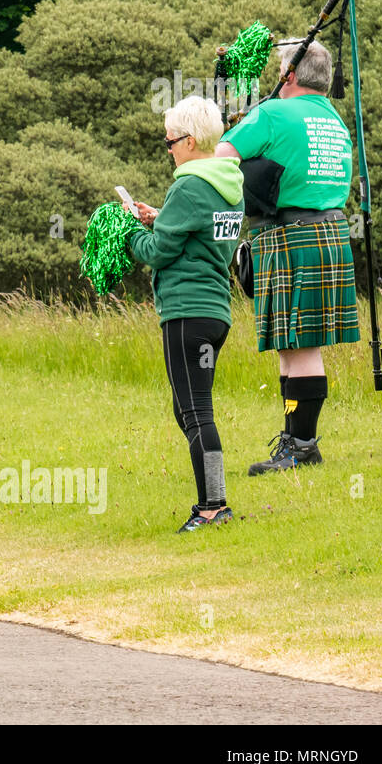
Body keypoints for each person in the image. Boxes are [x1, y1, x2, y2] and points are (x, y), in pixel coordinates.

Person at [215, 39, 357, 475]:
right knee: (292, 344)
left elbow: (221, 158)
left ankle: (301, 447)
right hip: (329, 230)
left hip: (289, 234)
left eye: (280, 68)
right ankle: (296, 441)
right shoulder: (336, 122)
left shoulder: (273, 113)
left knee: (300, 346)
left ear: (289, 75)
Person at [129, 97, 245, 532]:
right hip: (215, 313)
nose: (169, 149)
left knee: (196, 412)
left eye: (171, 142)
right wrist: (160, 217)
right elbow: (202, 235)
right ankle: (213, 499)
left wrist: (127, 236)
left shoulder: (188, 186)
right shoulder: (228, 184)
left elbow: (160, 252)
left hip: (186, 311)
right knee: (190, 410)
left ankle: (212, 506)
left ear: (191, 142)